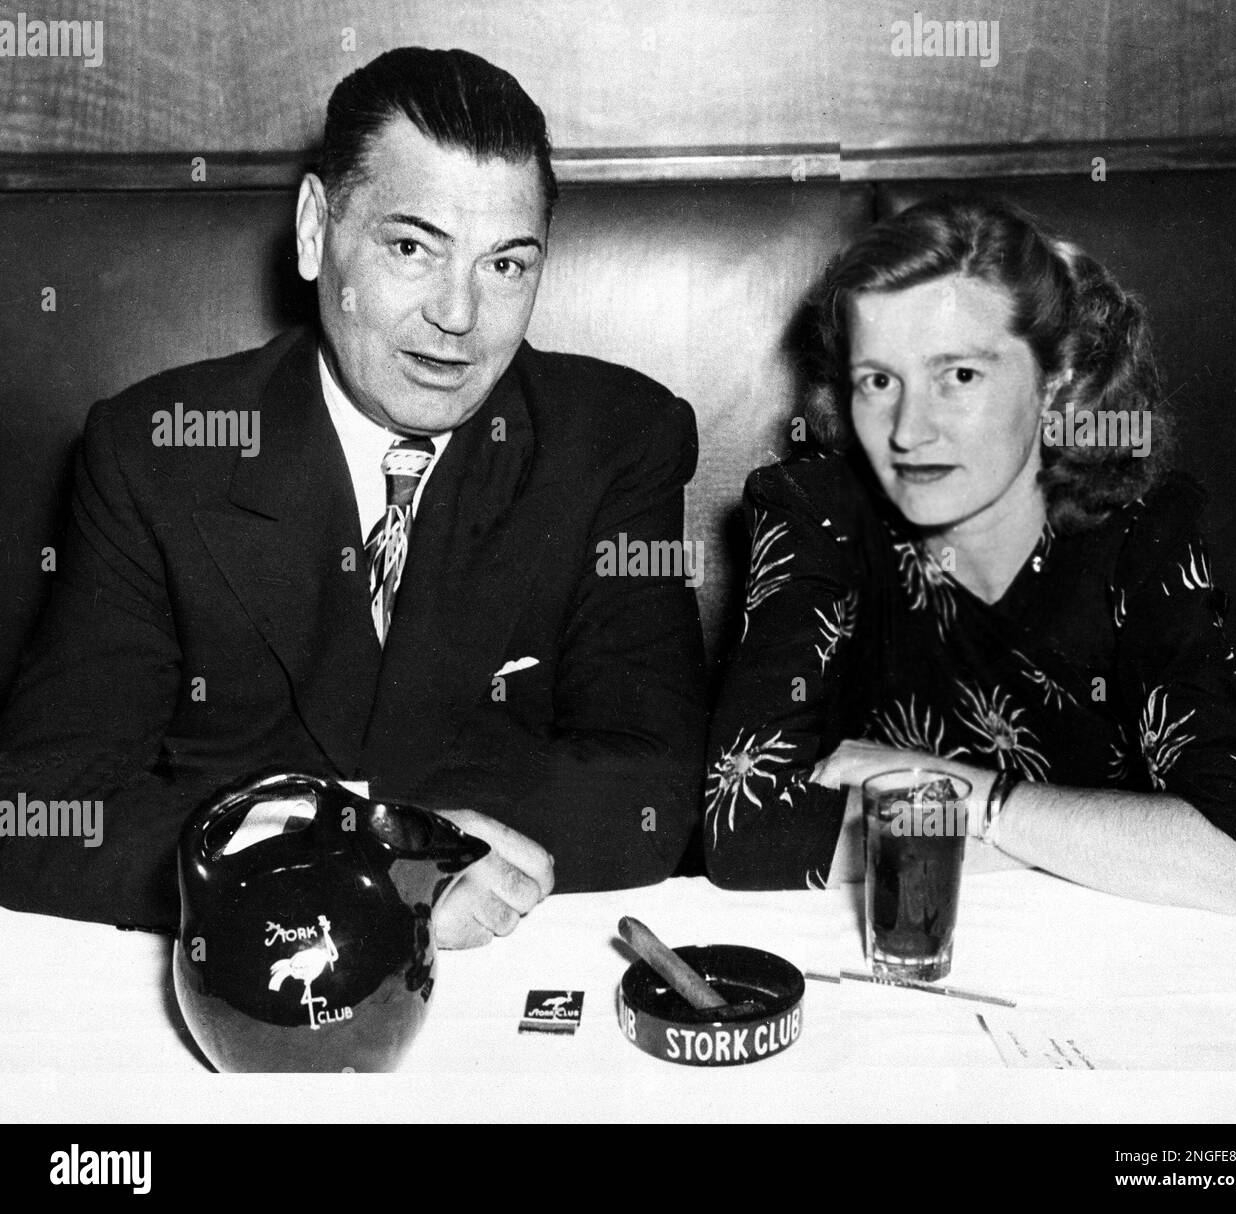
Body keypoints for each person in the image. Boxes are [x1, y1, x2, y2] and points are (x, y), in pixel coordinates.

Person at [0, 48, 707, 942]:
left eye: (506, 266)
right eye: (411, 248)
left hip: (503, 961)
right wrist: (371, 860)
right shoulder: (155, 452)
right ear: (312, 231)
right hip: (244, 960)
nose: (458, 317)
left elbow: (656, 786)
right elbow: (42, 808)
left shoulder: (615, 441)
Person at [704, 196, 1236, 914]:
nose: (909, 430)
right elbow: (745, 828)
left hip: (1104, 955)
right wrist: (1074, 844)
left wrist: (950, 788)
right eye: (881, 379)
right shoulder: (819, 510)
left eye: (960, 377)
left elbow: (1221, 860)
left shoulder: (1141, 528)